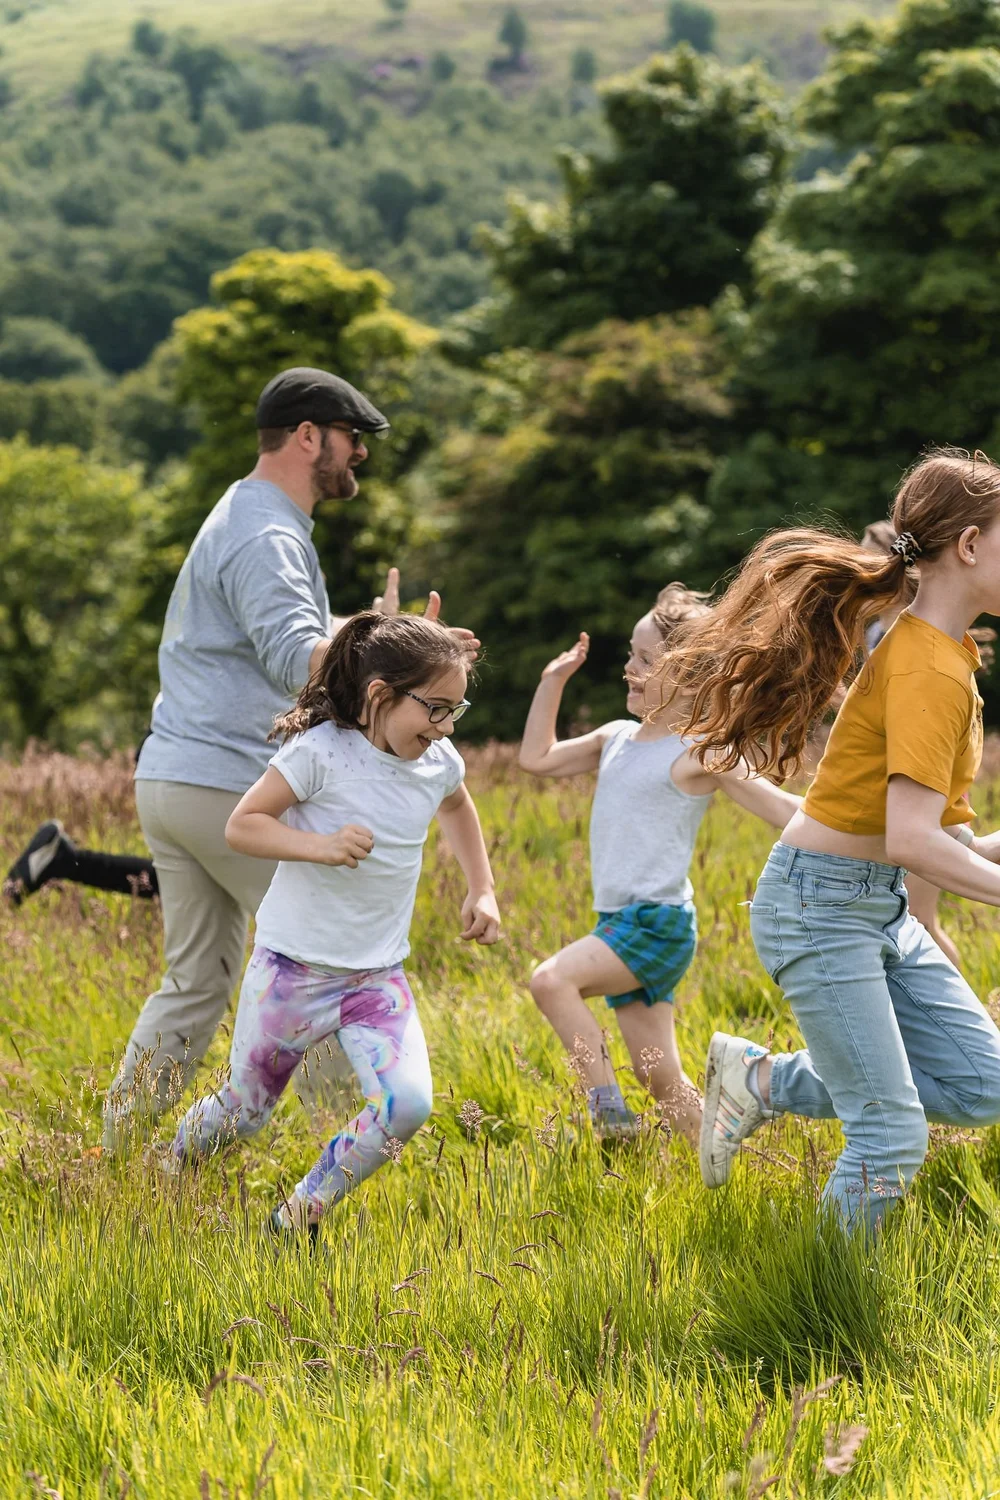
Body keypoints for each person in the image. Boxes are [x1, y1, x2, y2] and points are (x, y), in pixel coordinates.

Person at [103, 366, 475, 1149]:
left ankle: (120, 1154)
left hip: (176, 779)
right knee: (331, 964)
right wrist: (405, 660)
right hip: (228, 789)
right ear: (308, 437)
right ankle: (327, 1171)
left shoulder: (246, 517)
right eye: (352, 440)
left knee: (196, 984)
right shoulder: (268, 533)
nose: (359, 457)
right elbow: (292, 657)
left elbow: (296, 637)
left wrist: (383, 632)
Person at [665, 448, 1000, 1233]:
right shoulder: (927, 668)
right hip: (820, 906)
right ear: (972, 546)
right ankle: (825, 1315)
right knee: (889, 1137)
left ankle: (761, 1080)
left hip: (872, 905)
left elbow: (942, 835)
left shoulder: (948, 656)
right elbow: (914, 841)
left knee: (985, 1087)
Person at [167, 612, 500, 1243]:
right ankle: (172, 1166)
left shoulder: (437, 761)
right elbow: (244, 824)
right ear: (380, 695)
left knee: (408, 1106)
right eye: (435, 709)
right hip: (291, 971)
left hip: (376, 978)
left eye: (457, 709)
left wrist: (481, 888)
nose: (448, 726)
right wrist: (318, 846)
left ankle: (299, 1215)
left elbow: (457, 803)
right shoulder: (320, 753)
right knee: (245, 1112)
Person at [518, 584, 802, 1146]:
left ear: (691, 673)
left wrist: (862, 821)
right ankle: (719, 1163)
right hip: (618, 923)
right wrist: (553, 681)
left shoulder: (699, 750)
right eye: (631, 653)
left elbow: (781, 808)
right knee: (659, 1075)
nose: (629, 667)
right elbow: (536, 758)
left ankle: (611, 1120)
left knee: (551, 981)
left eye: (645, 659)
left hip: (655, 924)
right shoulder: (615, 738)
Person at [860, 519, 996, 968]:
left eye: (868, 552)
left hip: (925, 786)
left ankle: (971, 1017)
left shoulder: (919, 648)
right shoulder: (902, 643)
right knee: (917, 920)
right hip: (911, 793)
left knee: (922, 919)